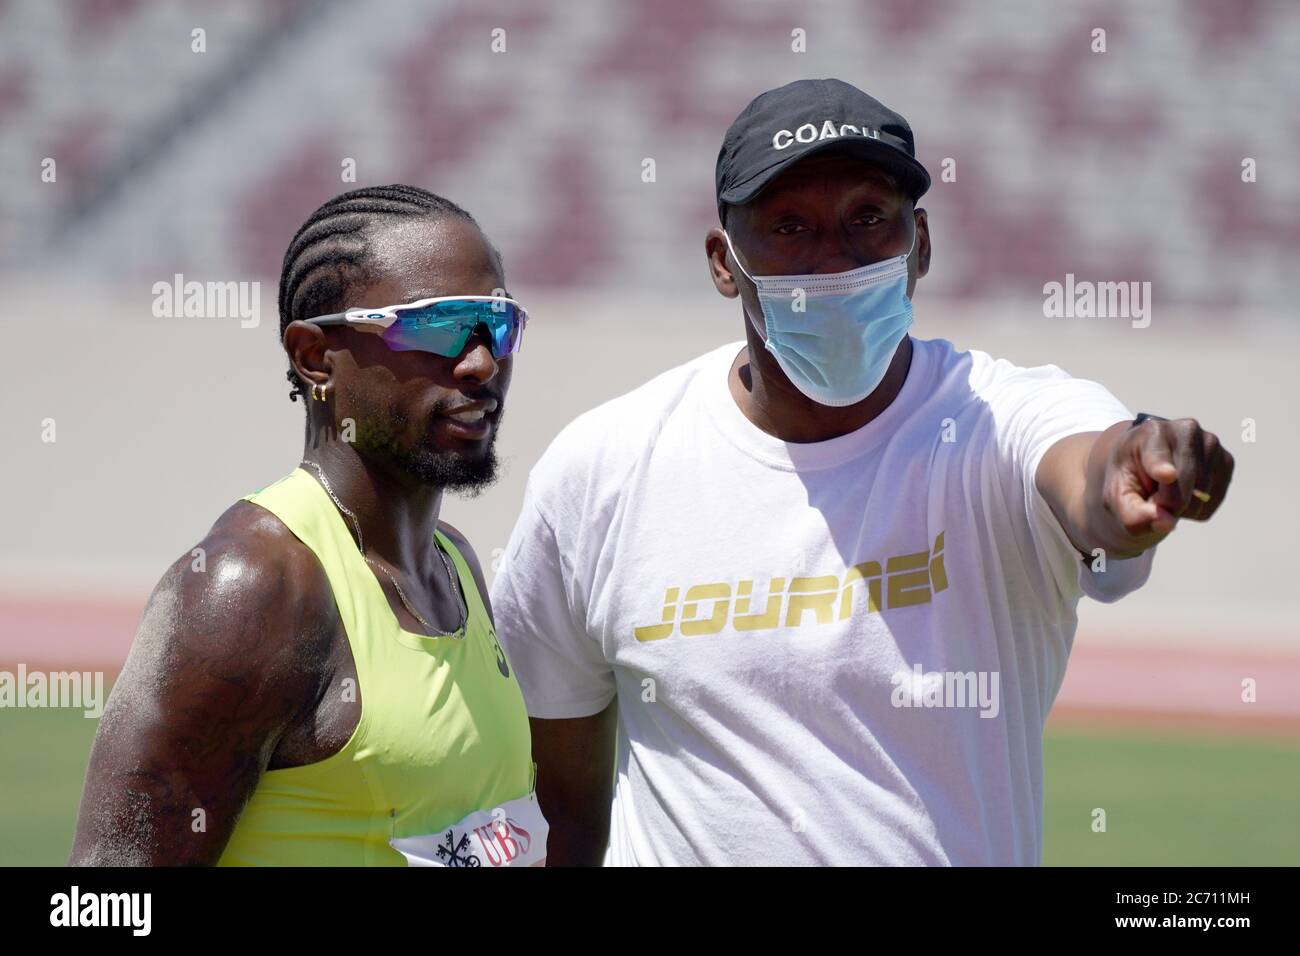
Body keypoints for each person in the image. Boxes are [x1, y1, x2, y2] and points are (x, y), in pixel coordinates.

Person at [489, 80, 1234, 866]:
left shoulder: (996, 418)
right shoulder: (603, 468)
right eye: (789, 226)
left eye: (868, 219)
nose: (836, 261)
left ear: (921, 243)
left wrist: (1131, 468)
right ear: (722, 262)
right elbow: (550, 801)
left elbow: (1085, 470)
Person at [70, 185, 545, 867]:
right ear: (315, 356)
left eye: (496, 324)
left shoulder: (455, 566)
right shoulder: (253, 590)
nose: (480, 363)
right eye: (440, 325)